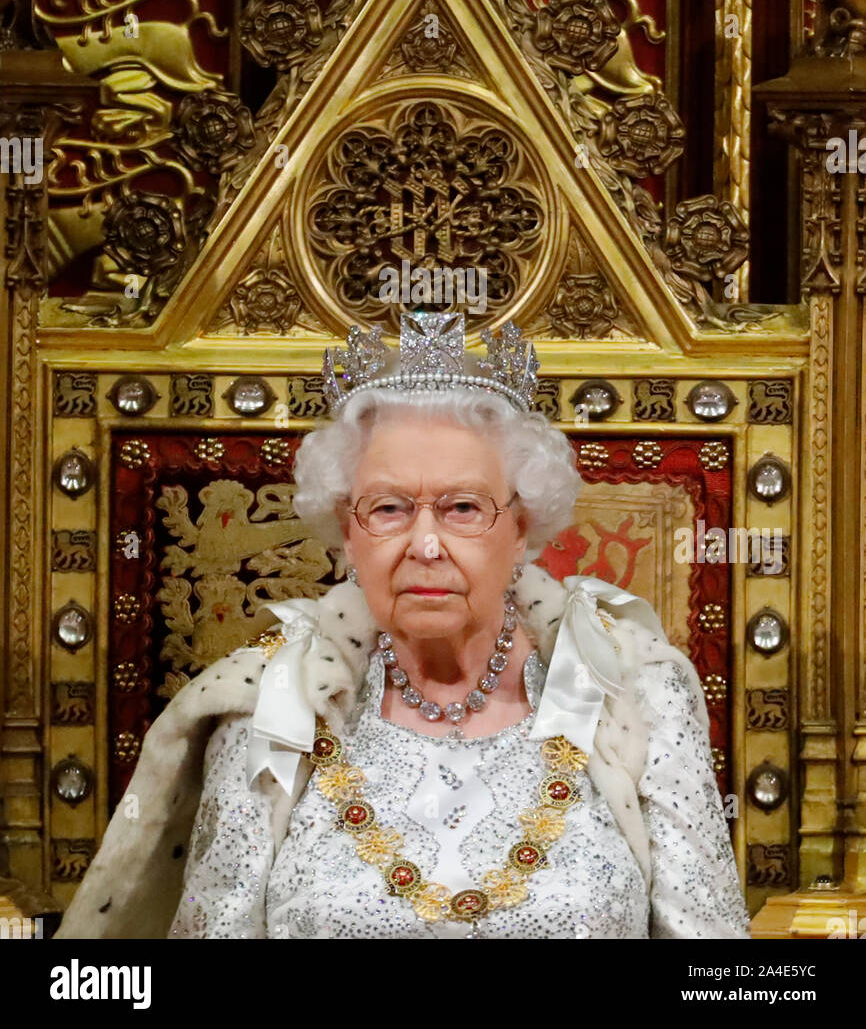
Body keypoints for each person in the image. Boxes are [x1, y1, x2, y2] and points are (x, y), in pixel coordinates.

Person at [56, 313, 749, 940]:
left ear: (523, 526)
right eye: (388, 509)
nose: (424, 545)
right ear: (345, 532)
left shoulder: (635, 691)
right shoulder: (270, 709)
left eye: (462, 509)